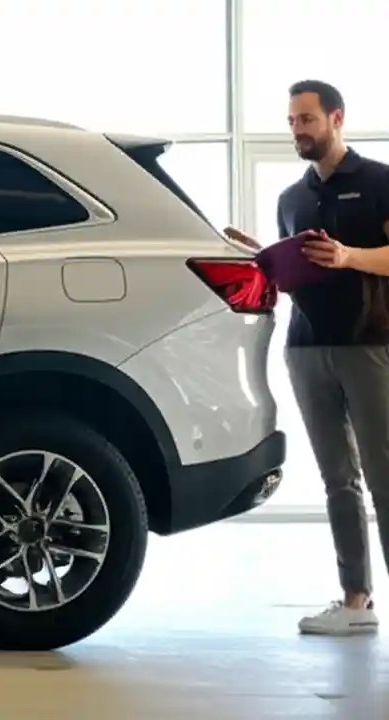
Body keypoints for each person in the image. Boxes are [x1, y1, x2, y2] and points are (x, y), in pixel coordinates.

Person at [226, 79, 389, 636]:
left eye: (306, 120)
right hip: (305, 347)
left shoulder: (379, 182)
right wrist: (263, 260)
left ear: (336, 119)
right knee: (337, 480)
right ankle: (355, 600)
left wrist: (348, 256)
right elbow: (297, 277)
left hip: (369, 343)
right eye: (291, 121)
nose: (297, 130)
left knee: (384, 476)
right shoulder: (290, 199)